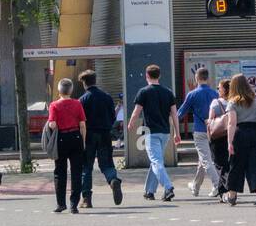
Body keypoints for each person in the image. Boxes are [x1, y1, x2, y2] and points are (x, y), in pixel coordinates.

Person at [129, 64, 180, 202]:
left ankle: (168, 187)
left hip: (150, 132)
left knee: (156, 161)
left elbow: (136, 111)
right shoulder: (168, 92)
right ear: (159, 76)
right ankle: (149, 191)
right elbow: (174, 114)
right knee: (156, 161)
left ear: (147, 76)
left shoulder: (143, 92)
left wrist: (130, 124)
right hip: (165, 132)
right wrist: (177, 132)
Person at [77, 70, 123, 208]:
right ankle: (113, 179)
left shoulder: (82, 100)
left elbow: (80, 121)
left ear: (84, 83)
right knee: (107, 163)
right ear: (95, 80)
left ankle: (86, 199)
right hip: (104, 134)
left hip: (88, 135)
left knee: (86, 167)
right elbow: (113, 117)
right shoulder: (107, 97)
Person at [224, 74, 256, 206]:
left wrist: (229, 142)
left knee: (236, 165)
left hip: (240, 133)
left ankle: (232, 196)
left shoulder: (233, 101)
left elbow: (232, 123)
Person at [179, 67, 221, 198]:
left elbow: (180, 113)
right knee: (202, 160)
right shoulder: (215, 93)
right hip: (214, 130)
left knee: (206, 160)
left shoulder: (192, 94)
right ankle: (195, 186)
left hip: (199, 130)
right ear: (207, 78)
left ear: (197, 78)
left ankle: (218, 184)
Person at [48, 77, 86, 214]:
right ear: (71, 90)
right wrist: (83, 141)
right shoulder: (77, 104)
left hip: (62, 139)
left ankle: (61, 204)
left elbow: (52, 124)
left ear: (59, 91)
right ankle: (74, 204)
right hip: (76, 137)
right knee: (76, 172)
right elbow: (82, 124)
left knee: (60, 172)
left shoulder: (54, 105)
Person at [206, 77, 231, 200]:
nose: (218, 90)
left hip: (217, 136)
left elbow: (211, 119)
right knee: (227, 164)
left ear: (224, 90)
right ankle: (227, 190)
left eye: (219, 88)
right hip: (230, 135)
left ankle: (223, 192)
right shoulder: (234, 102)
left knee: (219, 165)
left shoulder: (216, 102)